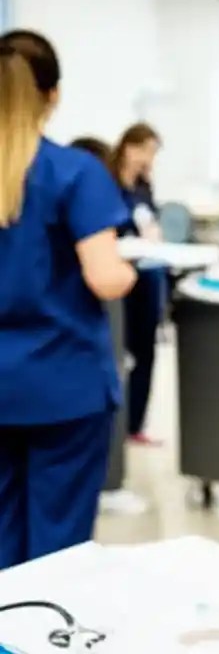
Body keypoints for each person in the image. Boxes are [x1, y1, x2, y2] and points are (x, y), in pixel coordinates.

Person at [0, 29, 137, 568]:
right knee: (58, 553)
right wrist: (127, 268)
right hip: (63, 387)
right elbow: (106, 278)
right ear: (52, 96)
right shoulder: (74, 173)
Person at [109, 122, 165, 446]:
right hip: (119, 279)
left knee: (146, 353)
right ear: (130, 147)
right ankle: (114, 428)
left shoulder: (144, 187)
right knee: (119, 352)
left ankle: (135, 426)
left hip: (147, 276)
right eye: (147, 151)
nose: (149, 159)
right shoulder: (107, 185)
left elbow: (149, 223)